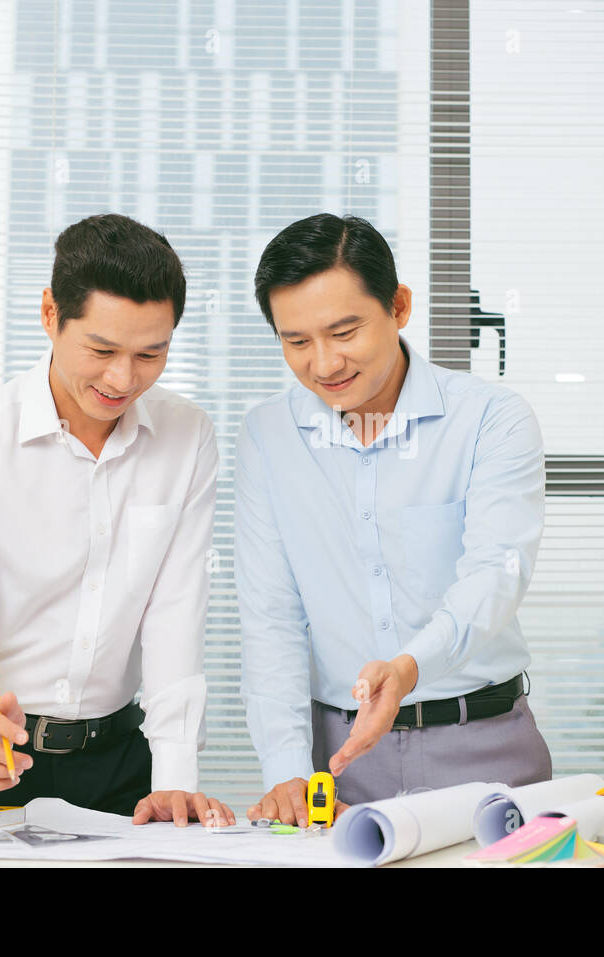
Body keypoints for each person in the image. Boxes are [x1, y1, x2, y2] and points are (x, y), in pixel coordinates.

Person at [0, 213, 234, 827]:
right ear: (51, 315)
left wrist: (175, 777)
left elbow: (174, 613)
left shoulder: (187, 437)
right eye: (102, 350)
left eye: (150, 353)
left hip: (114, 762)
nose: (122, 379)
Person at [237, 212, 553, 826]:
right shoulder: (268, 435)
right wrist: (286, 769)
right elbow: (271, 614)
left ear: (399, 306)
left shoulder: (491, 419)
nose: (324, 363)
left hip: (484, 744)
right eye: (296, 341)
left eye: (344, 331)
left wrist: (409, 668)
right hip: (341, 762)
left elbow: (494, 576)